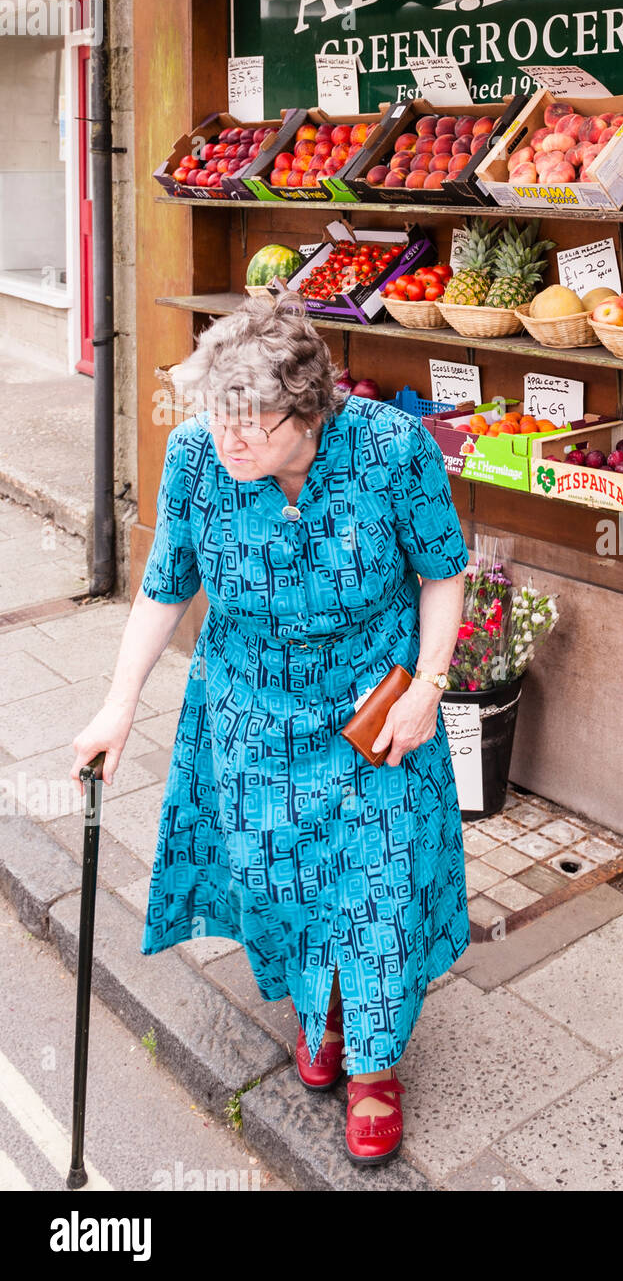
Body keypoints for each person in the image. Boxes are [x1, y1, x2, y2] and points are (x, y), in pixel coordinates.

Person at [69, 295, 469, 1165]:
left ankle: (373, 1066)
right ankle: (318, 1008)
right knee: (277, 876)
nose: (229, 437)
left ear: (312, 407)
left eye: (251, 420)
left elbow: (444, 572)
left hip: (375, 709)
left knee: (380, 883)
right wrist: (118, 702)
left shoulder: (393, 451)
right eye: (218, 413)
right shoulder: (194, 459)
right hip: (251, 712)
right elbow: (165, 587)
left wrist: (429, 687)